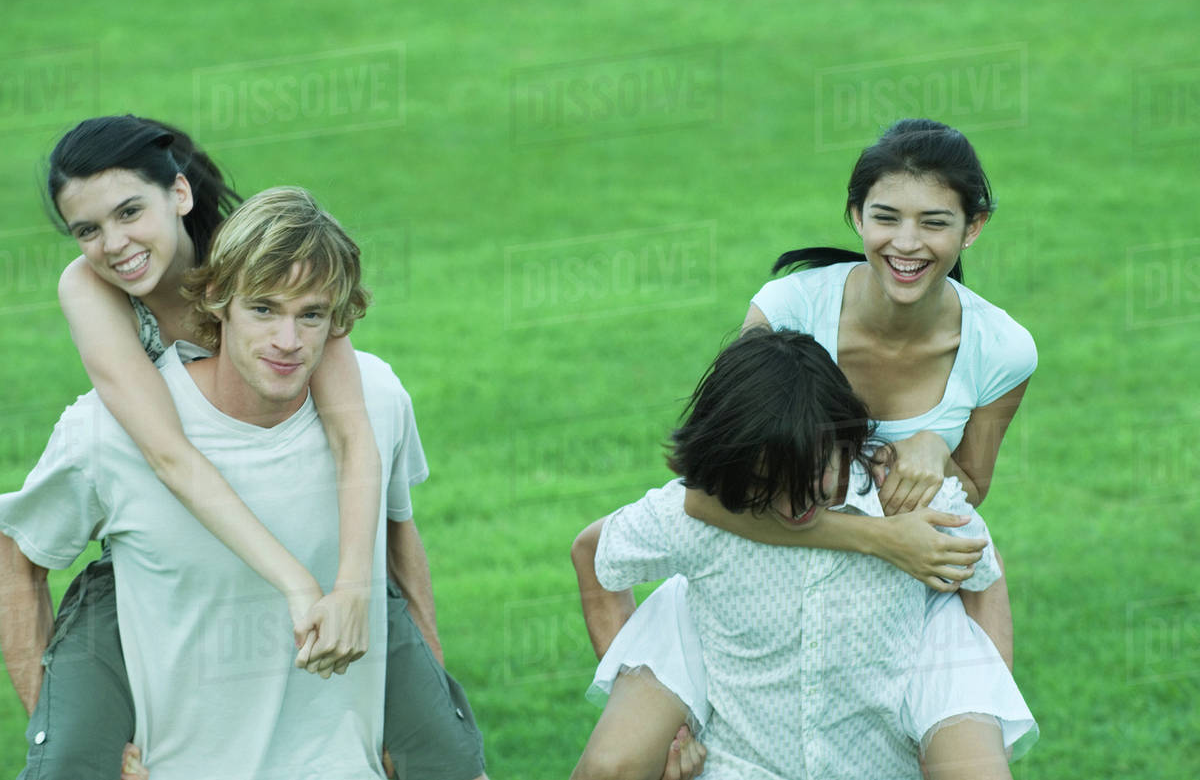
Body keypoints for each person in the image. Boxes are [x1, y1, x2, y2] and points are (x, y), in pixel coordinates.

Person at [0, 125, 485, 780]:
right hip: (162, 535)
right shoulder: (89, 291)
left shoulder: (275, 261)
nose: (112, 244)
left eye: (129, 211)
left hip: (294, 518)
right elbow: (168, 453)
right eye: (86, 230)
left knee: (443, 750)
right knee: (69, 760)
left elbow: (354, 433)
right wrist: (295, 582)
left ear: (178, 193)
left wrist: (350, 590)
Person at [573, 119, 1037, 778]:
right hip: (756, 552)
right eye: (885, 217)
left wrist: (934, 447)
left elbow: (970, 495)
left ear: (973, 227)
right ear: (855, 215)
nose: (907, 243)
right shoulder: (787, 308)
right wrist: (876, 538)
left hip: (893, 592)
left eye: (934, 221)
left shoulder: (1003, 348)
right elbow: (714, 481)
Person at [572, 328, 1022, 780]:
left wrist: (981, 706)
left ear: (845, 441)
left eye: (812, 480)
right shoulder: (697, 516)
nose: (793, 509)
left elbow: (984, 578)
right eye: (766, 489)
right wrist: (661, 716)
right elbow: (593, 554)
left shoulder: (913, 500)